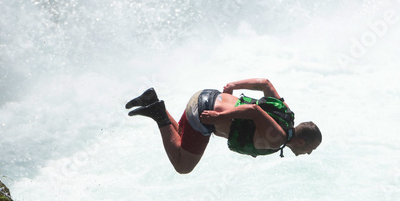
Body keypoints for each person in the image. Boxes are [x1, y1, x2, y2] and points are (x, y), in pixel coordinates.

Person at [125, 78, 321, 174]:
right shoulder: (277, 138)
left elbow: (265, 84)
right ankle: (158, 113)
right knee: (183, 166)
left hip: (209, 95)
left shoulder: (286, 113)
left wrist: (233, 85)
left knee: (180, 139)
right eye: (310, 149)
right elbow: (254, 112)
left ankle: (152, 100)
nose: (309, 153)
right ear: (301, 142)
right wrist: (220, 116)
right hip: (206, 113)